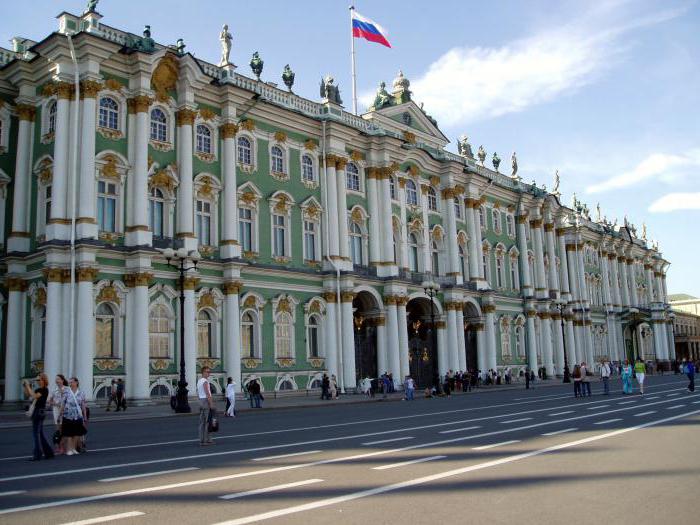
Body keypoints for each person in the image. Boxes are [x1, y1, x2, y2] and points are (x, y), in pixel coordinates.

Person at [24, 373, 54, 461]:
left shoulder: (44, 390)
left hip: (39, 412)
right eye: (37, 380)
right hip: (37, 412)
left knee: (35, 434)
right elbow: (28, 395)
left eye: (38, 380)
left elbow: (34, 396)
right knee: (40, 433)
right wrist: (26, 386)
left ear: (43, 380)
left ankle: (37, 454)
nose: (37, 381)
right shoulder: (38, 389)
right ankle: (49, 453)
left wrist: (28, 385)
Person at [60, 377, 87, 456]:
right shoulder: (66, 392)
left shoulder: (81, 393)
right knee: (68, 433)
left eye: (72, 382)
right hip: (67, 415)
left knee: (76, 433)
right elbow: (63, 404)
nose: (70, 384)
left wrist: (84, 416)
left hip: (78, 415)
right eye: (70, 383)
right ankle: (69, 449)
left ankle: (73, 448)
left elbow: (83, 405)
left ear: (76, 383)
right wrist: (60, 415)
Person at [197, 366, 215, 445]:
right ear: (203, 372)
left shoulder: (199, 381)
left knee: (202, 422)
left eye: (209, 372)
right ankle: (207, 440)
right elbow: (207, 393)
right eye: (207, 372)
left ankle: (202, 440)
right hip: (206, 402)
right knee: (208, 422)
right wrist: (211, 404)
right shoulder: (205, 382)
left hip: (201, 401)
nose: (209, 373)